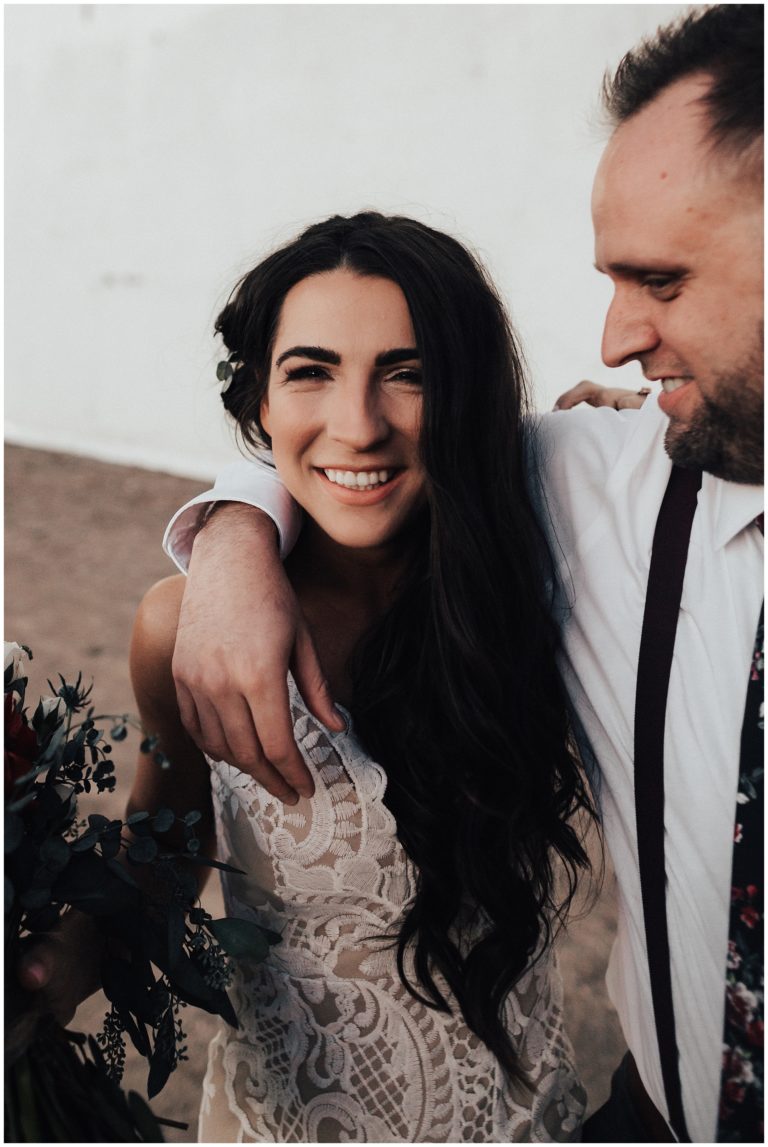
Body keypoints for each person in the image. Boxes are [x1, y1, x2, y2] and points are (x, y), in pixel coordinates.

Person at [162, 6, 764, 1141]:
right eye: (613, 278)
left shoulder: (540, 535)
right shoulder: (622, 484)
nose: (618, 337)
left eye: (664, 280)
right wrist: (234, 534)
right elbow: (353, 459)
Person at [126, 216, 597, 1140]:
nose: (359, 424)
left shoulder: (550, 583)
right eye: (310, 371)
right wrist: (48, 960)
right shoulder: (181, 628)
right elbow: (162, 850)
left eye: (409, 372)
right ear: (258, 400)